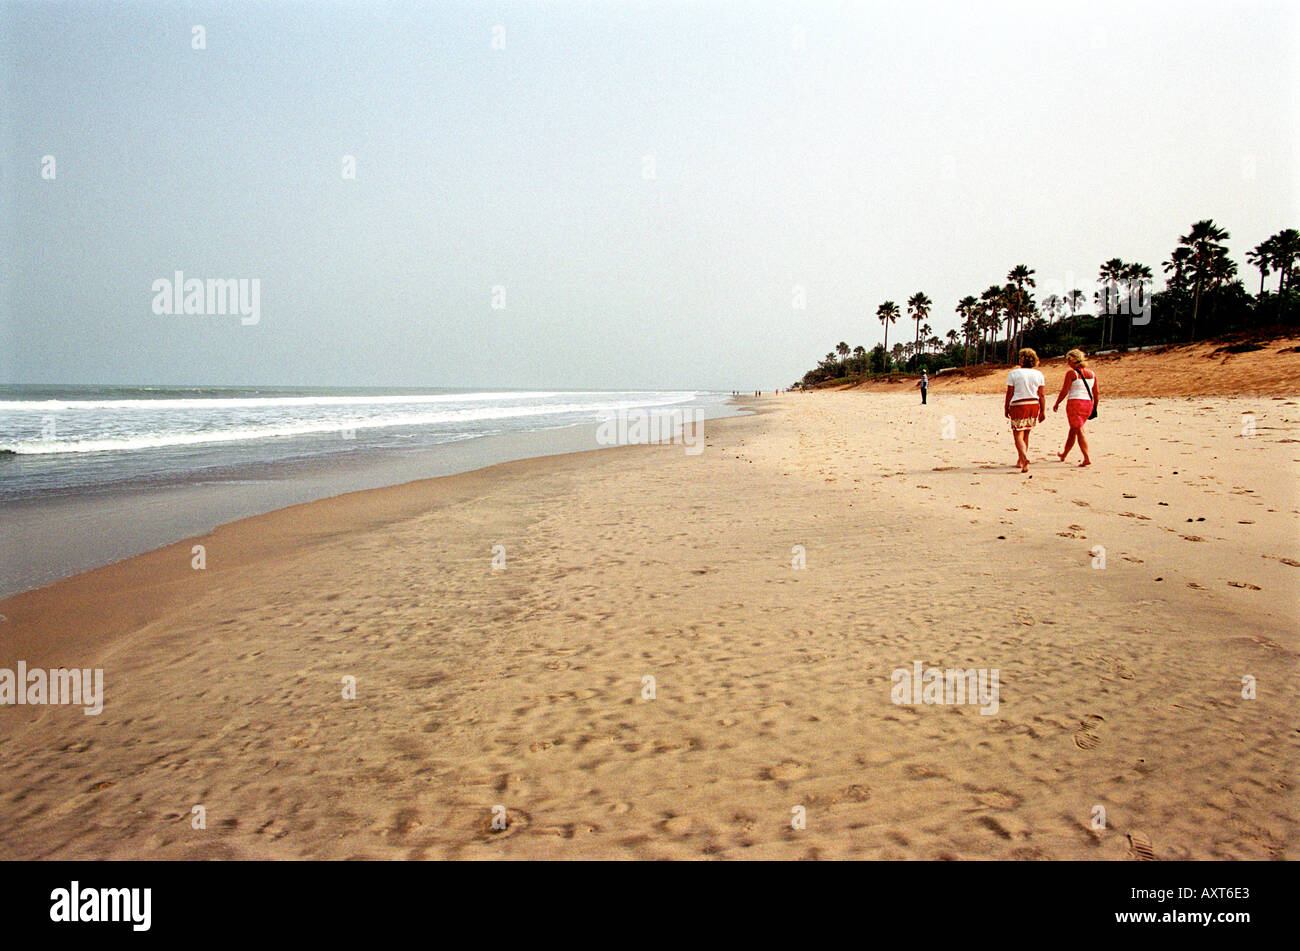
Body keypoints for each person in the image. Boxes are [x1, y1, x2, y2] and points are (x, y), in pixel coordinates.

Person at [1053, 348, 1097, 467]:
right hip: (1088, 403)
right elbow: (1096, 392)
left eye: (1068, 361)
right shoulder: (1092, 374)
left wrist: (1057, 402)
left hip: (1075, 404)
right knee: (1073, 430)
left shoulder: (1072, 373)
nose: (1068, 363)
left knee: (1079, 430)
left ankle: (1086, 458)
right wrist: (1095, 406)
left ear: (1072, 360)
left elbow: (1065, 390)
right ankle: (1064, 454)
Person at [1004, 348, 1045, 473]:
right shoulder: (1039, 374)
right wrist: (1043, 411)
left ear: (1021, 359)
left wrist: (1006, 407)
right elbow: (1041, 395)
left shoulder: (1014, 373)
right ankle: (1020, 460)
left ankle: (1024, 458)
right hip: (1033, 404)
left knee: (1017, 434)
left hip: (1018, 405)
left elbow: (1010, 393)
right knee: (1026, 433)